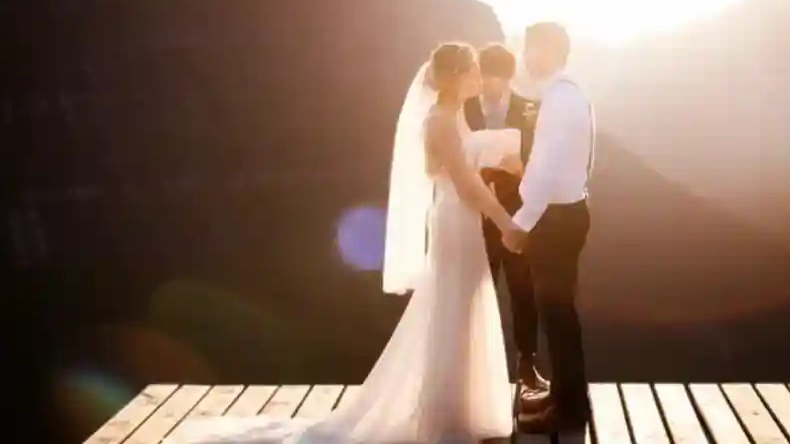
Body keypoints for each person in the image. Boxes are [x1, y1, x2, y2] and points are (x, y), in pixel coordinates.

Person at [169, 43, 524, 444]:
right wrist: (506, 223)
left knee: (461, 305)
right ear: (456, 76)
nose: (479, 77)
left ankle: (459, 408)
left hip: (461, 219)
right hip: (455, 221)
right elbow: (462, 182)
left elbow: (445, 169)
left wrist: (496, 164)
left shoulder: (452, 116)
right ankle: (443, 417)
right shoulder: (439, 121)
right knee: (453, 308)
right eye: (473, 70)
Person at [503, 22, 596, 433]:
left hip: (554, 218)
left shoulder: (559, 99)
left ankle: (569, 410)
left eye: (530, 49)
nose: (525, 57)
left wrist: (521, 223)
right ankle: (563, 396)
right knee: (558, 311)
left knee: (558, 314)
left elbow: (546, 166)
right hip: (568, 211)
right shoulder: (570, 93)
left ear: (549, 50)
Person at [463, 44, 550, 393]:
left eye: (497, 77)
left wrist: (521, 168)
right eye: (486, 76)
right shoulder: (464, 109)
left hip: (517, 215)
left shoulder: (531, 110)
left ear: (509, 77)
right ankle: (471, 371)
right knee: (472, 291)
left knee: (522, 289)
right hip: (473, 215)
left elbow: (544, 160)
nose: (490, 84)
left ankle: (527, 365)